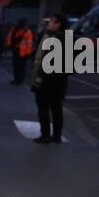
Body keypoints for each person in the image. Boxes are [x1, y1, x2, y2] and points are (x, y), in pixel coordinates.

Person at [30, 13, 68, 142]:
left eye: (52, 21)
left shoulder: (53, 38)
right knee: (56, 108)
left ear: (58, 24)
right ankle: (56, 135)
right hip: (60, 79)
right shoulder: (67, 38)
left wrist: (38, 78)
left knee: (43, 107)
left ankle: (45, 135)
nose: (49, 23)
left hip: (47, 78)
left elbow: (44, 60)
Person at [6, 20, 35, 85]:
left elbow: (29, 43)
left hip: (21, 52)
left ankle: (18, 80)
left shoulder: (23, 31)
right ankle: (17, 80)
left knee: (19, 67)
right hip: (20, 51)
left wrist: (8, 46)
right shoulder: (25, 31)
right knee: (17, 66)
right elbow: (29, 43)